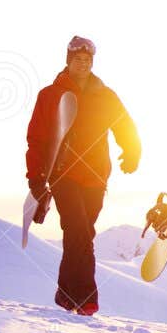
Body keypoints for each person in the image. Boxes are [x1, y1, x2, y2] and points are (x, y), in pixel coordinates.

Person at [25, 35, 141, 316]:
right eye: (77, 58)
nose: (83, 63)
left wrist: (132, 151)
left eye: (87, 59)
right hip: (63, 174)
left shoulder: (106, 96)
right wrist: (36, 178)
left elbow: (124, 125)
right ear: (68, 60)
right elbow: (36, 139)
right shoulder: (50, 95)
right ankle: (87, 298)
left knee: (82, 233)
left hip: (96, 176)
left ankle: (66, 295)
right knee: (77, 229)